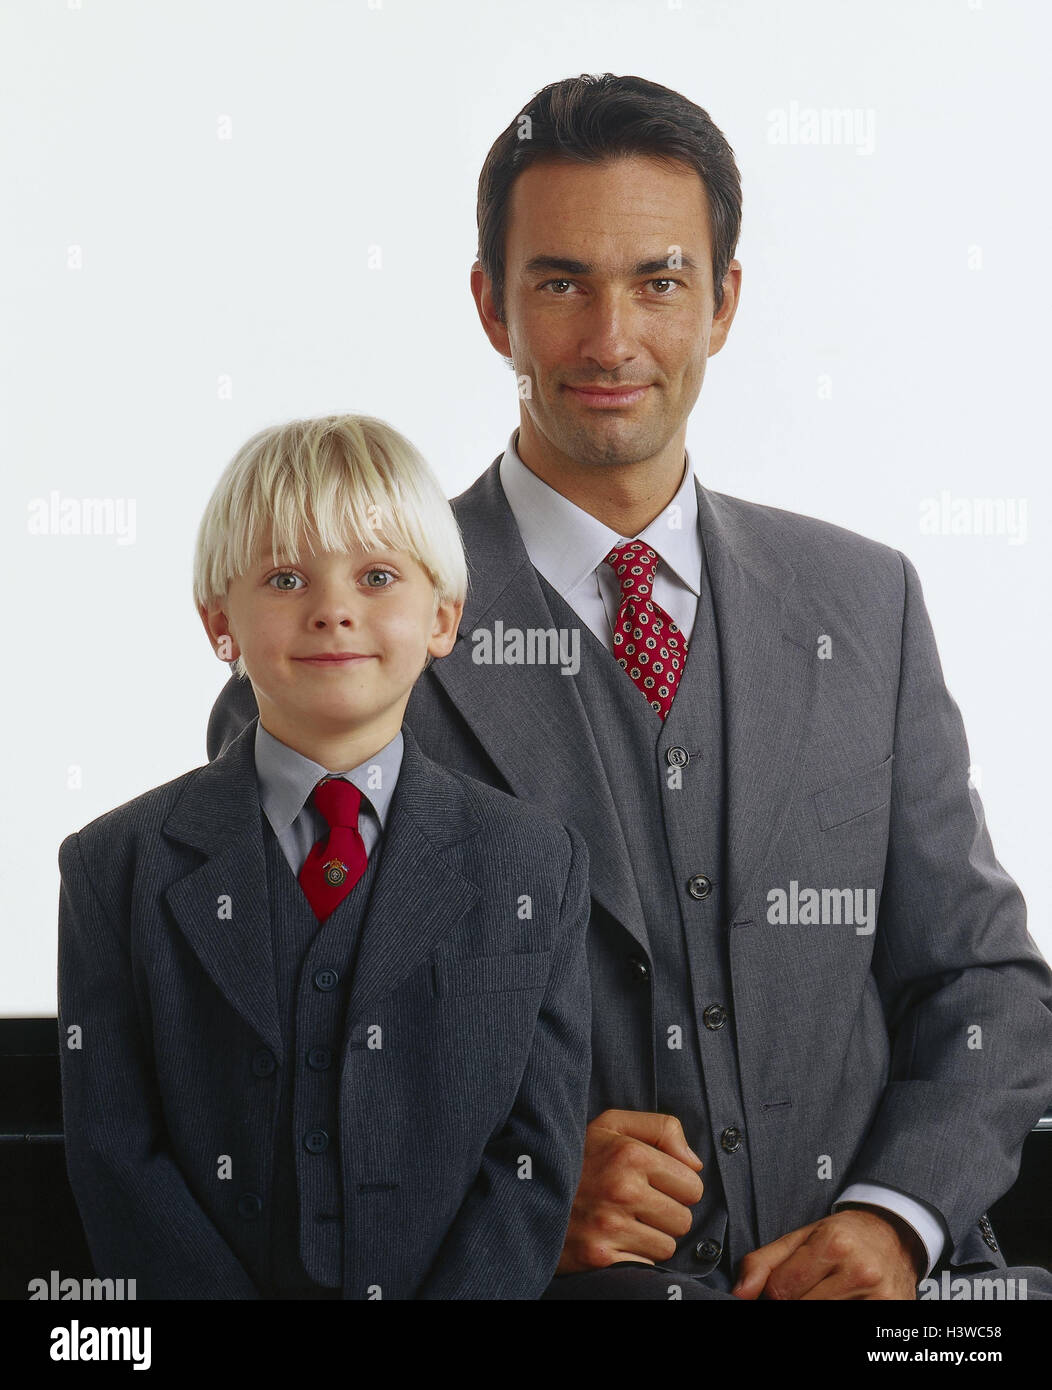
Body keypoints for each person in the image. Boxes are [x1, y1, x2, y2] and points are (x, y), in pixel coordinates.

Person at [206, 75, 1052, 1300]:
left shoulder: (866, 602)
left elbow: (978, 983)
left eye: (658, 280)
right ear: (493, 308)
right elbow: (255, 1068)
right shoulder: (337, 627)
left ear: (723, 304)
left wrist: (891, 1220)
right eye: (560, 283)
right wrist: (514, 1182)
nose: (610, 340)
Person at [56, 413, 592, 1300]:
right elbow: (118, 1157)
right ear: (218, 621)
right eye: (286, 577)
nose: (333, 608)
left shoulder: (535, 866)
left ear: (443, 619)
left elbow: (532, 1157)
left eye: (378, 576)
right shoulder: (114, 867)